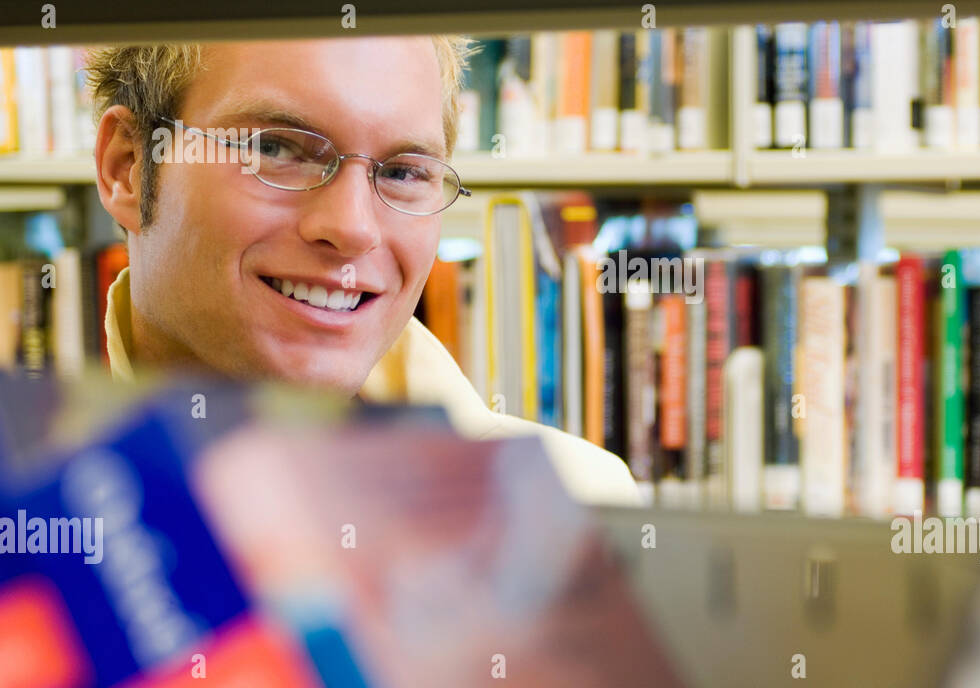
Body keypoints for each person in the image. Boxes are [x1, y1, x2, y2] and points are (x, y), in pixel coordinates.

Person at [87, 35, 637, 505]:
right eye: (277, 147)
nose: (353, 228)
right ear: (128, 169)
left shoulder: (574, 506)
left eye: (402, 171)